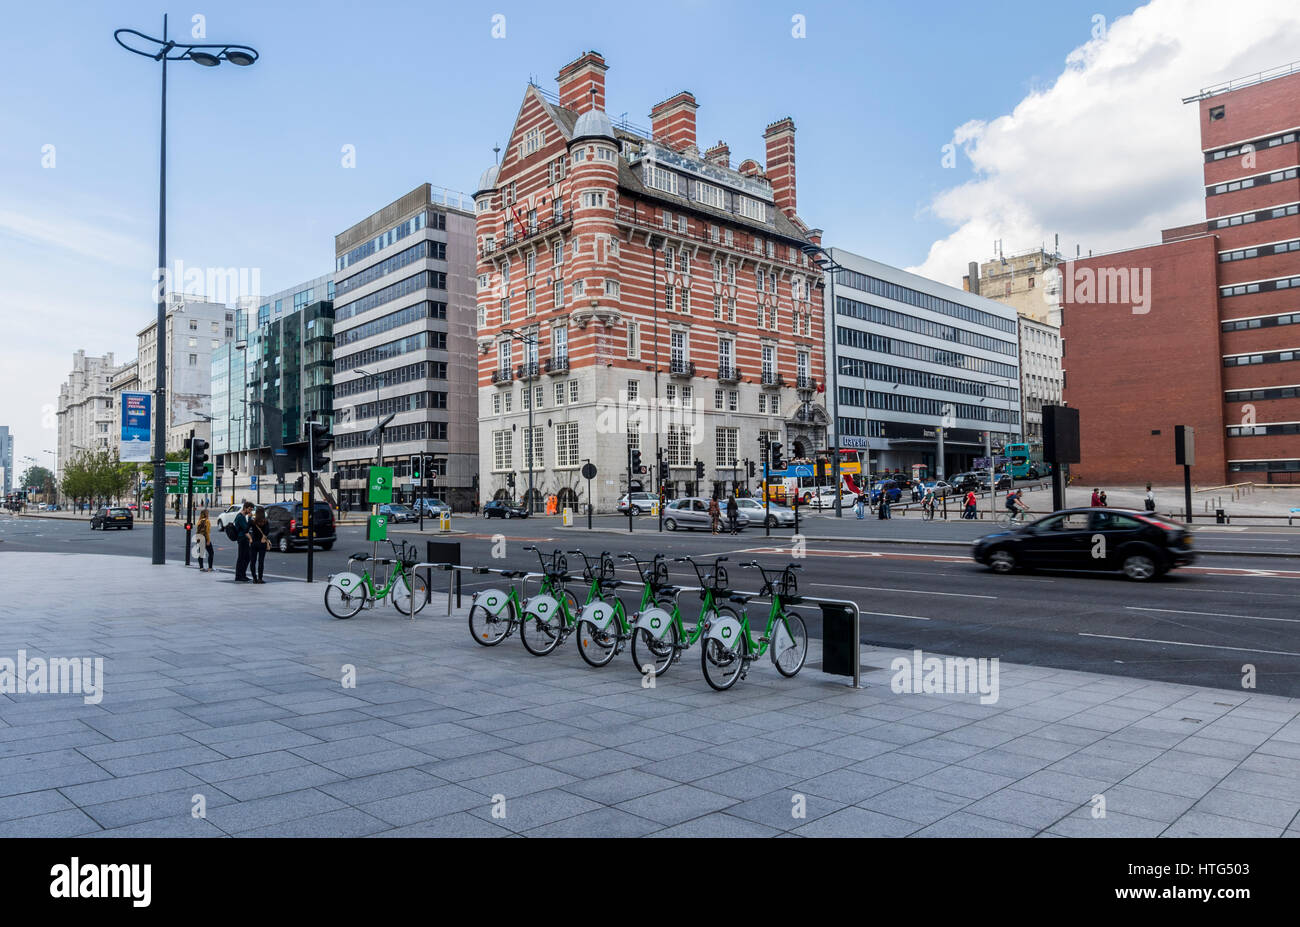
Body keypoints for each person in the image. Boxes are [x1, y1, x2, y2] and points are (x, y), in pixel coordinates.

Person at [233, 501, 254, 583]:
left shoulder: (242, 516)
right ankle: (239, 576)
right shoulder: (240, 517)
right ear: (245, 508)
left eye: (251, 510)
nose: (250, 511)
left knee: (247, 557)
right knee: (241, 557)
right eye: (249, 509)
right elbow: (246, 528)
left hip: (244, 539)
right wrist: (249, 518)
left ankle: (243, 574)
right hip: (242, 539)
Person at [249, 506, 271, 584]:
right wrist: (264, 537)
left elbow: (245, 530)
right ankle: (260, 578)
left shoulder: (253, 521)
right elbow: (267, 531)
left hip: (254, 543)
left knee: (253, 561)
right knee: (261, 561)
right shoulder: (266, 521)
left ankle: (254, 578)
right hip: (262, 543)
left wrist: (250, 539)